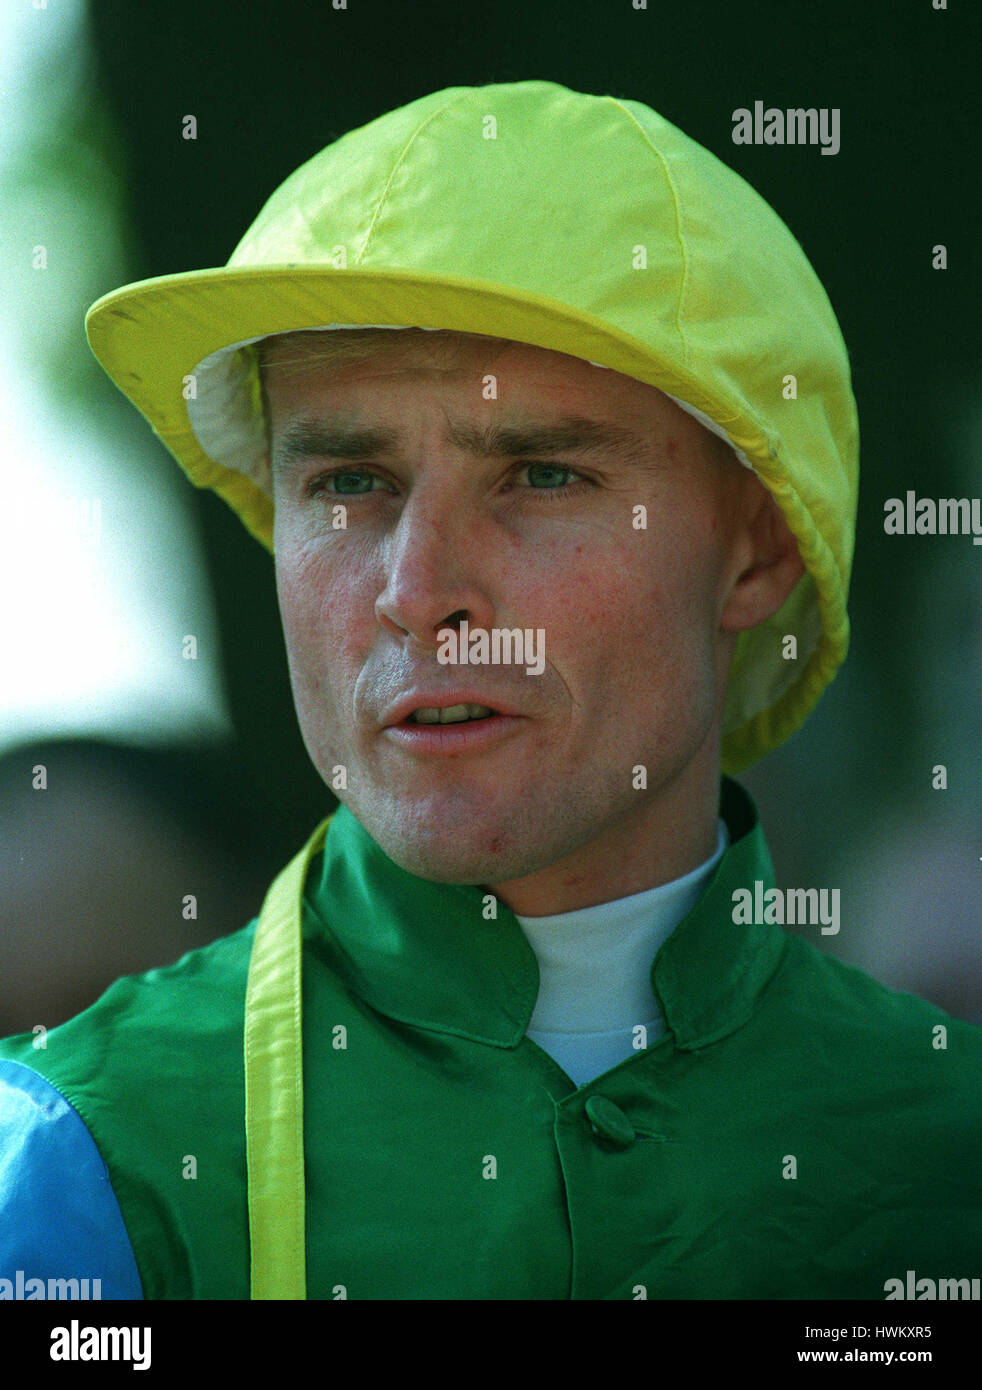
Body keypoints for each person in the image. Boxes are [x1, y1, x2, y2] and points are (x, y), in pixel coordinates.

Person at [1, 78, 979, 1303]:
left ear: (756, 550)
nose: (417, 589)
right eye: (350, 480)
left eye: (541, 473)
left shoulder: (948, 1147)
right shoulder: (72, 1157)